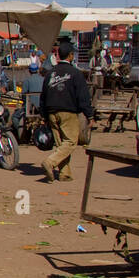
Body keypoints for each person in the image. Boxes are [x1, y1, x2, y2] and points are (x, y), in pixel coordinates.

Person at [39, 41, 94, 182]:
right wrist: (90, 115)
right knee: (70, 142)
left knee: (61, 144)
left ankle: (65, 174)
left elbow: (43, 96)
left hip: (51, 113)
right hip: (68, 112)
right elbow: (83, 96)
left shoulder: (50, 74)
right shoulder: (75, 73)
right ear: (70, 56)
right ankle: (50, 162)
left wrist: (44, 115)